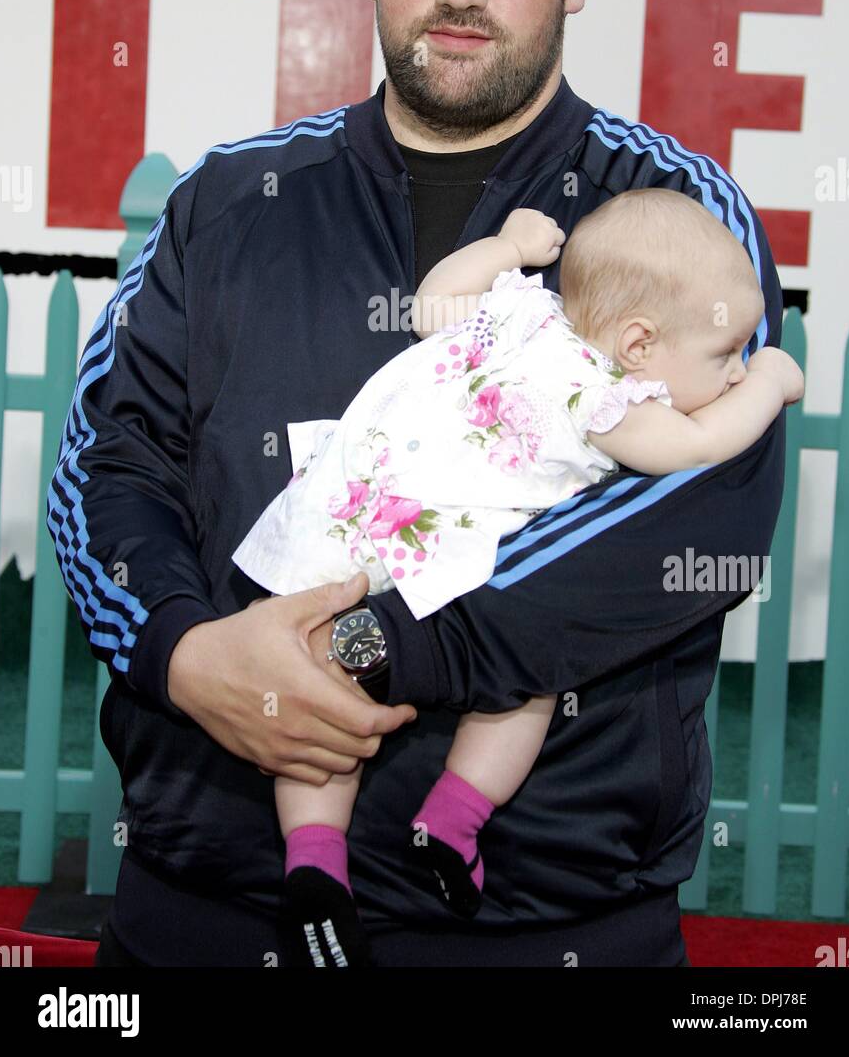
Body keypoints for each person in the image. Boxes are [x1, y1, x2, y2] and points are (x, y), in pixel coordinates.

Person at [47, 0, 787, 968]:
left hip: (536, 926)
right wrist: (191, 657)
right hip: (211, 909)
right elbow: (103, 464)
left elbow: (690, 508)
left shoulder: (668, 209)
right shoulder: (227, 200)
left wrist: (361, 647)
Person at [231, 192, 803, 964]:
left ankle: (313, 860)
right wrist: (770, 382)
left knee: (318, 700)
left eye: (740, 358)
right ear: (638, 342)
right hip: (431, 543)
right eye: (723, 353)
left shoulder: (521, 311)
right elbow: (699, 447)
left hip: (341, 505)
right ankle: (455, 817)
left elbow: (432, 302)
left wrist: (504, 246)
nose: (732, 371)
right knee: (527, 677)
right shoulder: (605, 399)